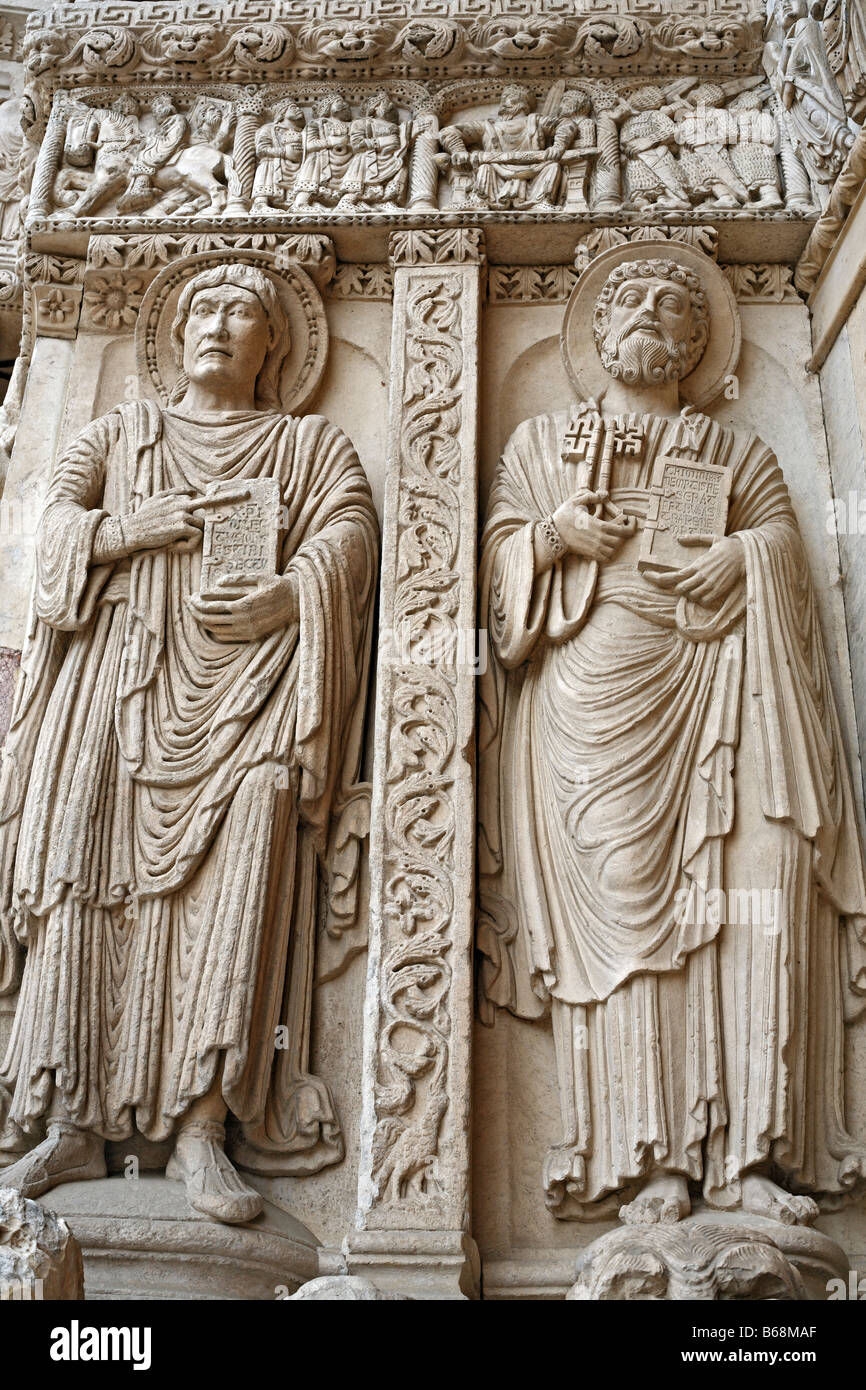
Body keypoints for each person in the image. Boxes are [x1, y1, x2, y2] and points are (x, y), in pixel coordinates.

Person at [478, 248, 866, 1225]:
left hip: (732, 690)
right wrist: (554, 538)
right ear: (599, 331)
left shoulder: (738, 456)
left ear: (697, 344)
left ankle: (749, 1155)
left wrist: (739, 557)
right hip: (587, 698)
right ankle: (645, 1156)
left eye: (672, 305)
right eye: (632, 300)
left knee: (754, 899)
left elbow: (782, 548)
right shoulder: (540, 445)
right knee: (628, 928)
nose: (651, 313)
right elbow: (493, 585)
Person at [0, 262, 378, 1224]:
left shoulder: (305, 444)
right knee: (85, 878)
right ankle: (71, 1121)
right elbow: (48, 530)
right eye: (202, 307)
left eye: (242, 309)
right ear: (171, 333)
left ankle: (205, 1127)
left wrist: (292, 595)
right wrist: (128, 530)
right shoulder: (118, 435)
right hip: (113, 679)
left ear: (276, 344)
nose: (218, 323)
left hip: (249, 694)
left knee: (238, 882)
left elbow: (352, 535)